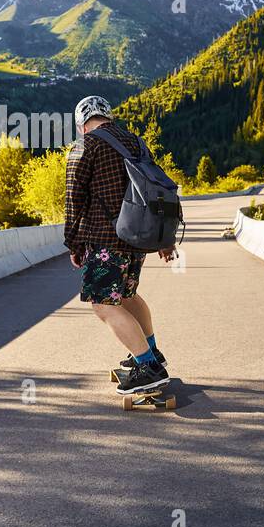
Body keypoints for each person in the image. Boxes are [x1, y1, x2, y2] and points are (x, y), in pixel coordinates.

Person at [64, 95, 177, 395]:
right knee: (128, 295)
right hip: (137, 238)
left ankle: (148, 368)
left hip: (104, 239)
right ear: (108, 115)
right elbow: (158, 189)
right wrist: (164, 238)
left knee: (103, 304)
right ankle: (151, 352)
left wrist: (73, 243)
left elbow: (73, 200)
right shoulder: (136, 143)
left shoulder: (85, 146)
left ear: (81, 124)